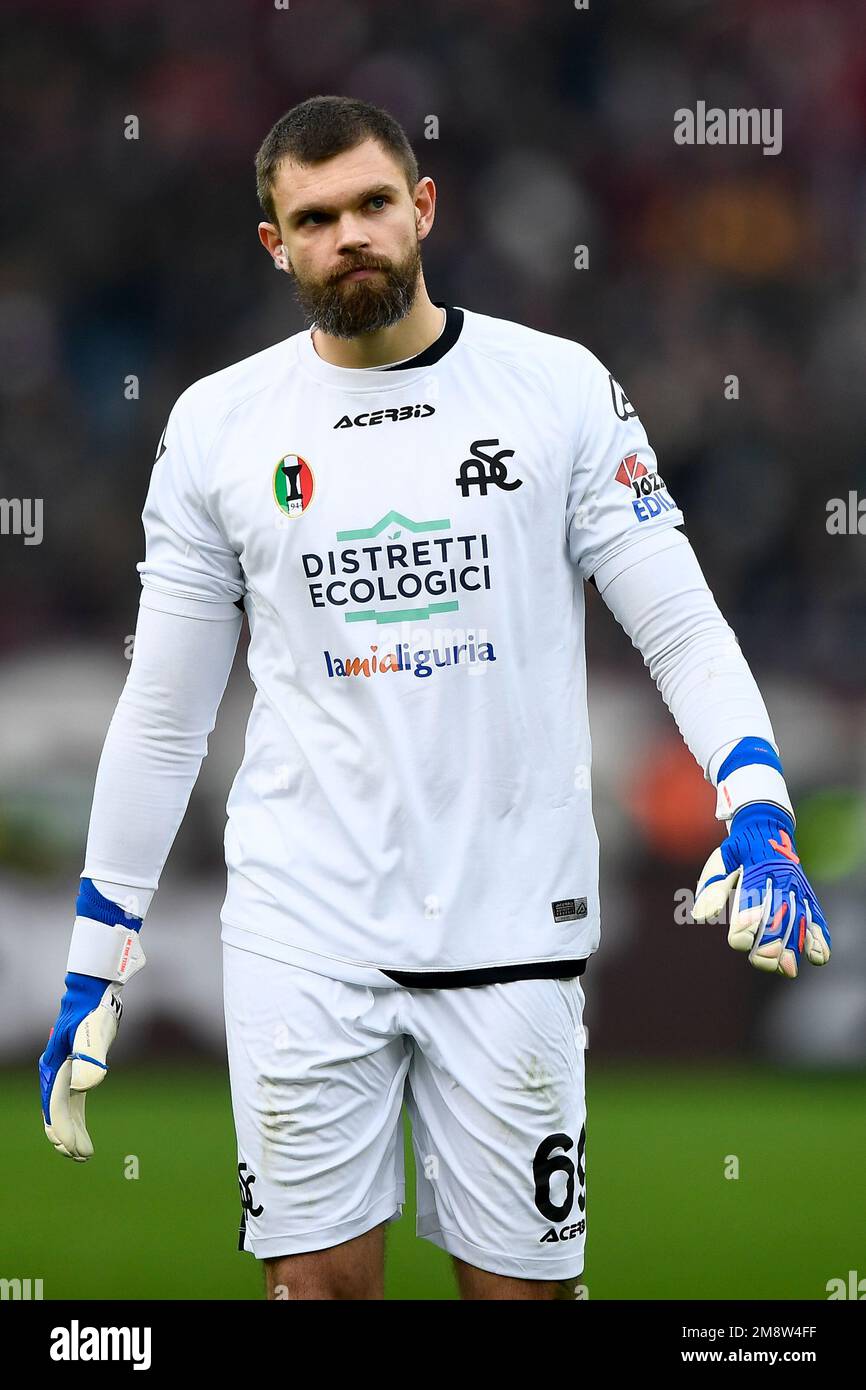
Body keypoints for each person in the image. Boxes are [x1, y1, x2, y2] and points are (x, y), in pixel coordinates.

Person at [38, 95, 831, 1302]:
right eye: (314, 217)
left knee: (517, 1298)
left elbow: (677, 621)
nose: (347, 234)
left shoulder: (555, 389)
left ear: (420, 209)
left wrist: (756, 804)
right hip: (301, 926)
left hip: (510, 927)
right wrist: (97, 954)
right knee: (319, 1291)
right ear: (276, 244)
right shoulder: (215, 427)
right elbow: (163, 709)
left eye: (369, 204)